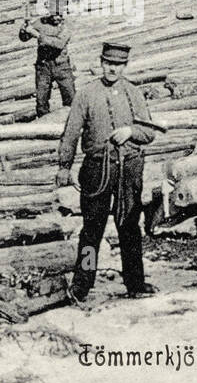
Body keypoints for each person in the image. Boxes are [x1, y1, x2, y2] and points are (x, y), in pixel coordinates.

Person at [55, 41, 157, 302]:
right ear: (101, 63)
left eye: (118, 65)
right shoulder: (86, 94)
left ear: (125, 66)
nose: (113, 69)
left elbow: (149, 132)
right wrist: (64, 166)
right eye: (108, 64)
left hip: (130, 169)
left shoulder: (133, 93)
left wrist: (130, 131)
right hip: (96, 170)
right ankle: (82, 285)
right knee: (91, 230)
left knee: (130, 227)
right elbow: (71, 132)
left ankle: (135, 283)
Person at [19, 0, 76, 117]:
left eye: (60, 15)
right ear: (49, 13)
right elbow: (24, 38)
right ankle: (44, 123)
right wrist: (24, 29)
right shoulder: (40, 23)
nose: (58, 18)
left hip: (61, 66)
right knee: (41, 101)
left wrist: (37, 35)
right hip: (43, 67)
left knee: (70, 98)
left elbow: (58, 44)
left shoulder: (67, 25)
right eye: (55, 15)